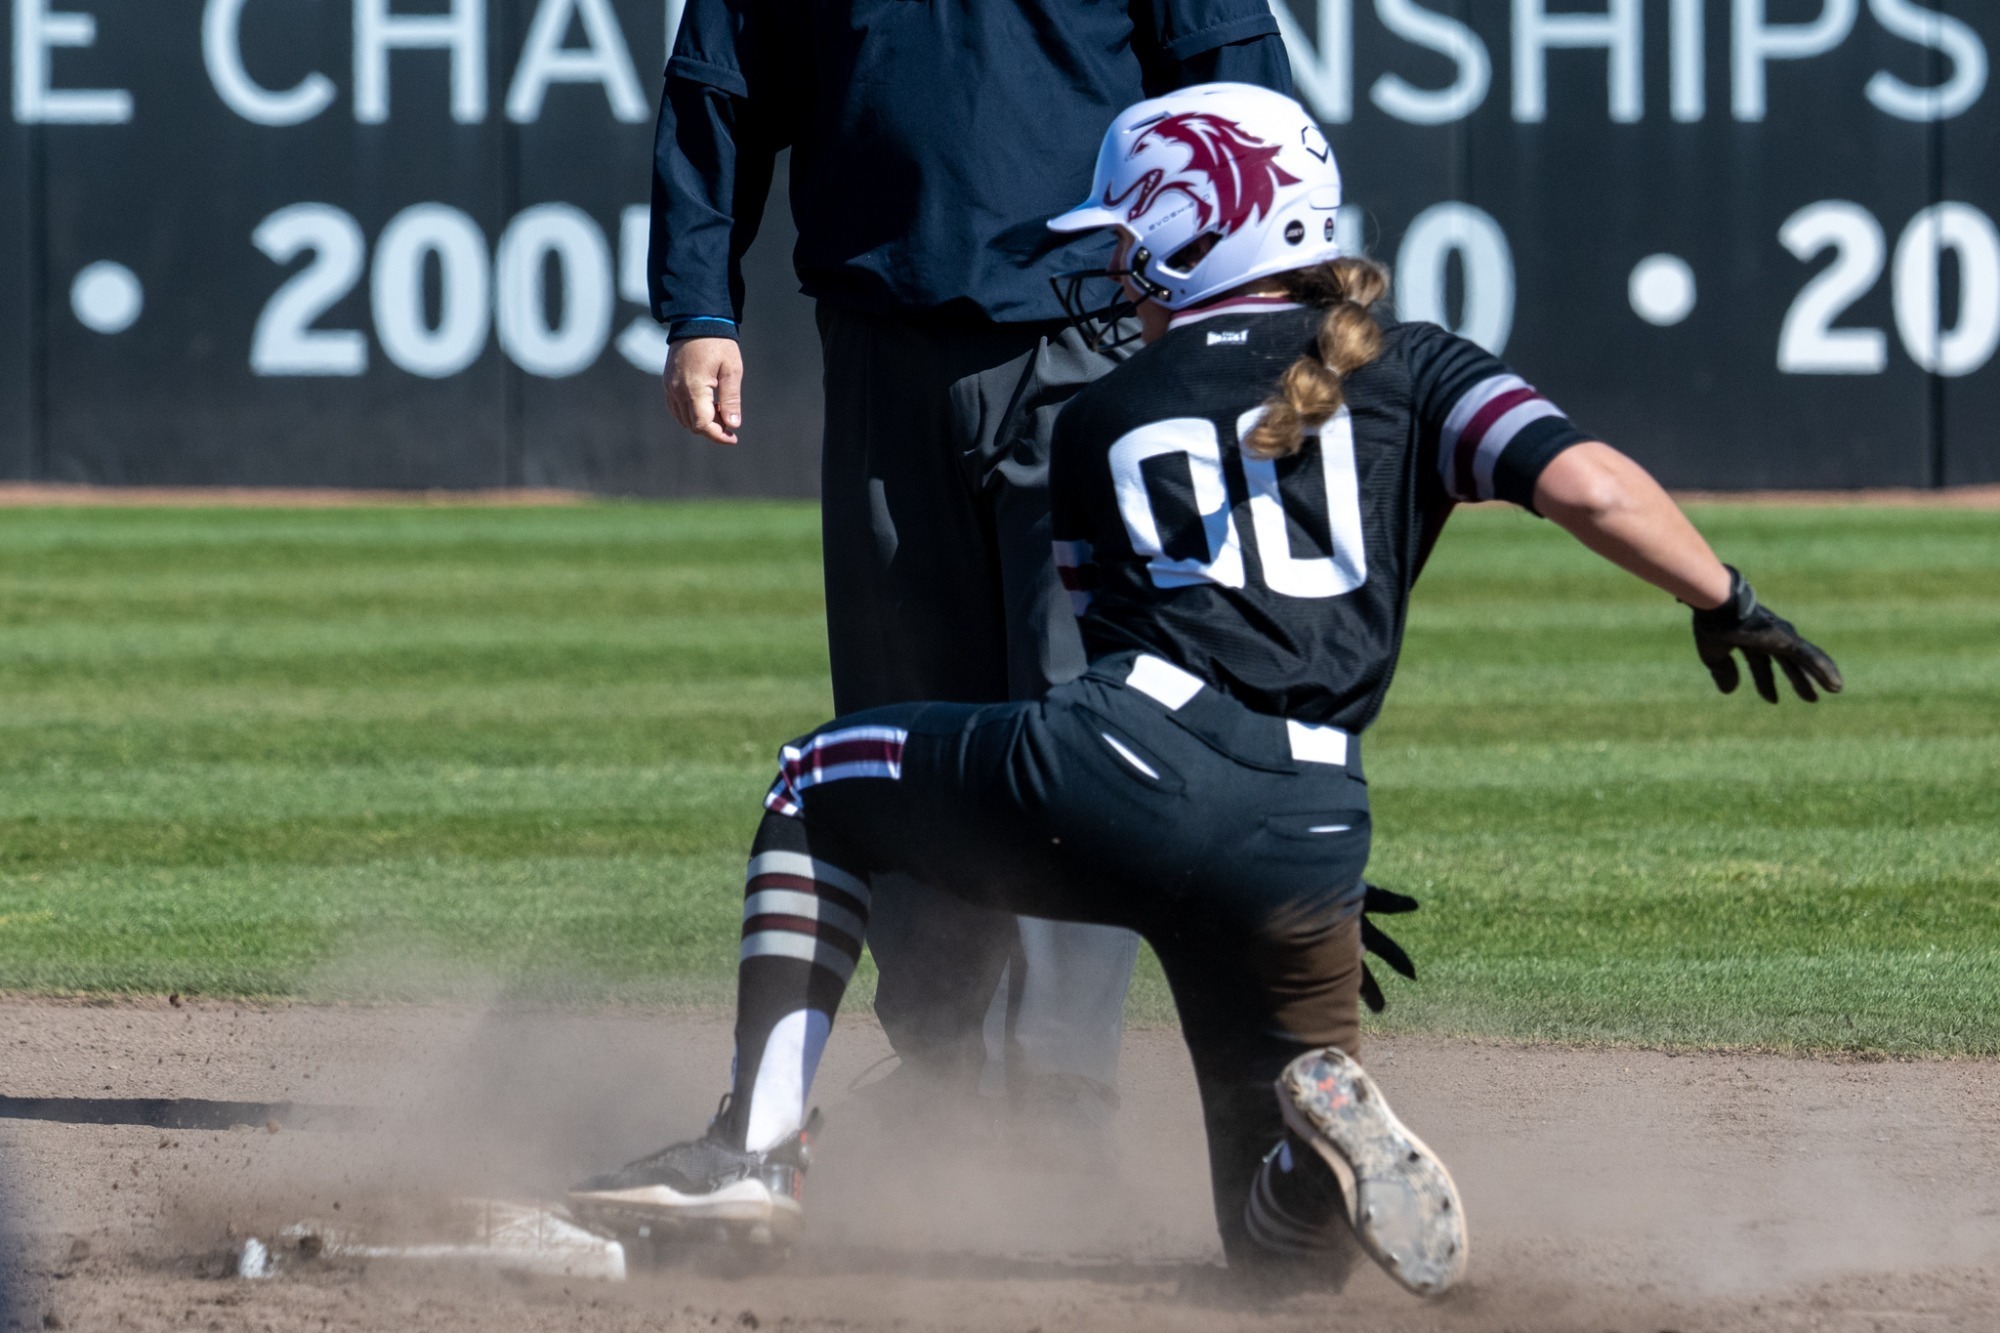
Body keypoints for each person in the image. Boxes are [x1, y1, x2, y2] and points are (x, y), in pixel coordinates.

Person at [579, 84, 1842, 1292]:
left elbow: (1106, 656)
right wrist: (1722, 599)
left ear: (1203, 229)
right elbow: (1590, 488)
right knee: (1272, 1261)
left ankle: (749, 1152)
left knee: (817, 781)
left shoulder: (1106, 411)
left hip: (1130, 767)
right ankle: (1307, 1166)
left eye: (1134, 243)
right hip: (1310, 834)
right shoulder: (1416, 367)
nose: (1119, 274)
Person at [648, 0, 1298, 1112]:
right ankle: (945, 1063)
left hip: (1095, 344)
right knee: (906, 718)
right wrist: (698, 306)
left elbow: (1238, 93)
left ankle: (1055, 1084)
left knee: (1077, 717)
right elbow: (721, 87)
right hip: (878, 344)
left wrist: (1251, 317)